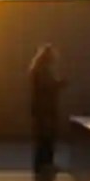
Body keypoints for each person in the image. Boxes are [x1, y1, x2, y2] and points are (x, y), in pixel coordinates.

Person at [28, 43, 66, 171]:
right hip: (45, 109)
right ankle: (46, 163)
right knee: (47, 136)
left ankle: (41, 163)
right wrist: (60, 84)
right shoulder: (43, 70)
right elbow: (48, 87)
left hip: (40, 108)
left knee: (42, 137)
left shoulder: (37, 69)